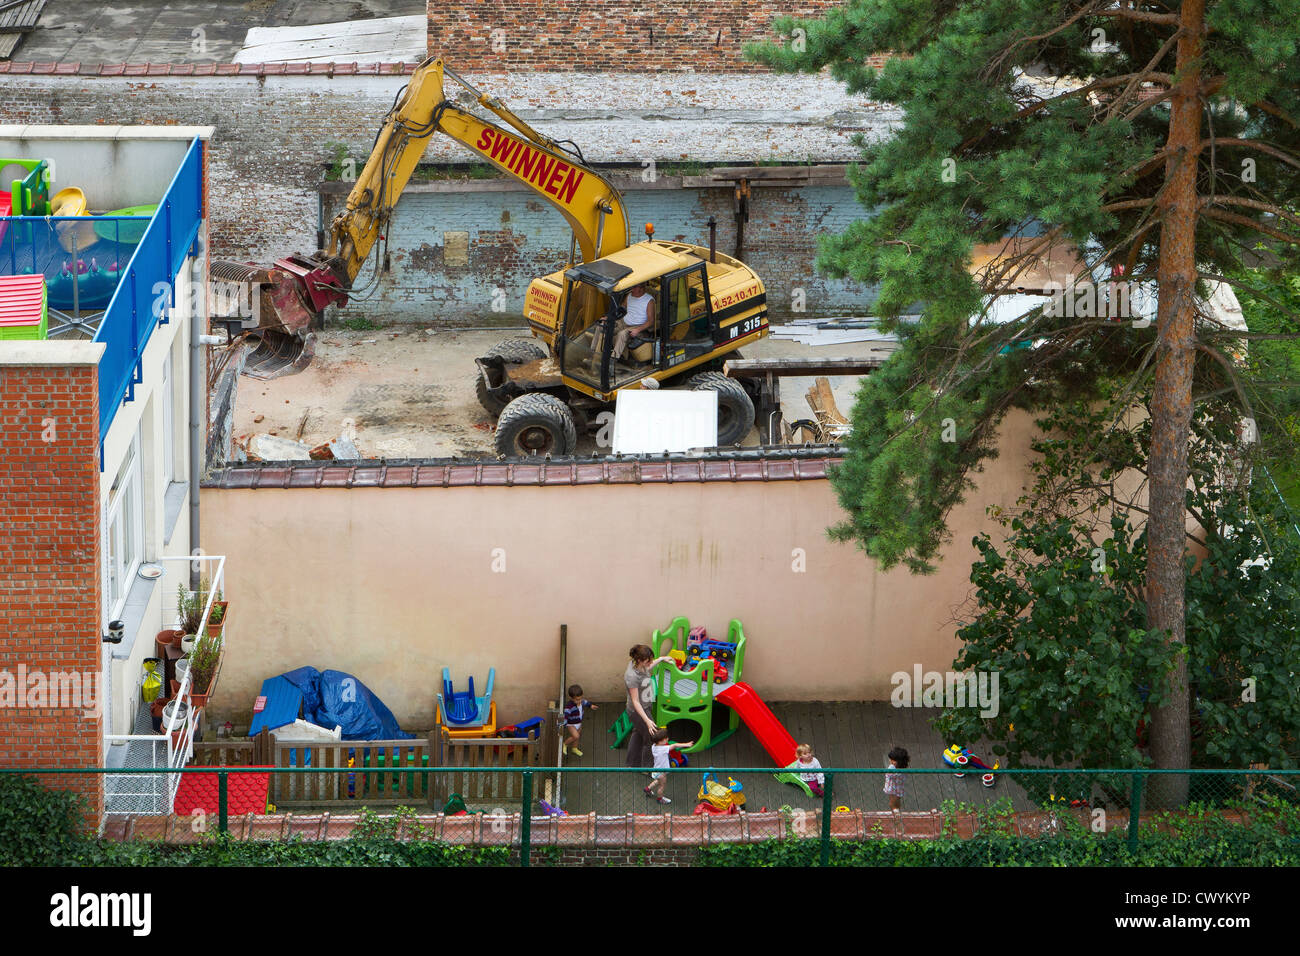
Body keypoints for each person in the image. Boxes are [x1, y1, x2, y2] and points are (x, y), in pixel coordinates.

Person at [623, 644, 673, 768]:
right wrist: (647, 721)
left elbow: (649, 666)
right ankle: (647, 767)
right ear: (639, 660)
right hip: (638, 711)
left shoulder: (639, 665)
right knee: (650, 738)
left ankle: (632, 763)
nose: (650, 662)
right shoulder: (632, 676)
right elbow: (635, 701)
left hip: (645, 705)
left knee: (639, 733)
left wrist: (661, 659)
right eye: (648, 660)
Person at [645, 728, 693, 804]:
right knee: (662, 786)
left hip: (656, 770)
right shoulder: (663, 749)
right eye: (666, 739)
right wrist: (687, 744)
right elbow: (674, 745)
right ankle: (660, 798)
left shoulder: (653, 746)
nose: (667, 739)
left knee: (657, 780)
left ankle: (648, 789)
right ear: (660, 741)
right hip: (662, 772)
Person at [612, 282, 655, 360]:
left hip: (637, 326)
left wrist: (637, 330)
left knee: (622, 334)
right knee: (604, 326)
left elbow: (651, 321)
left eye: (634, 287)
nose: (632, 289)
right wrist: (609, 318)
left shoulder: (649, 301)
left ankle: (612, 361)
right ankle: (595, 356)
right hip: (623, 321)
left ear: (641, 288)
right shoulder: (629, 295)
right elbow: (622, 308)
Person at [562, 684, 596, 757]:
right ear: (571, 698)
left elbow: (586, 702)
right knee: (576, 736)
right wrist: (564, 722)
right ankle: (564, 744)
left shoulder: (581, 701)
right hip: (571, 724)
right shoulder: (569, 706)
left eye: (580, 698)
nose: (580, 701)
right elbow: (566, 715)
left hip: (578, 723)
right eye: (577, 700)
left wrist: (591, 705)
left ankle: (574, 748)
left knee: (577, 737)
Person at [884, 745, 909, 811]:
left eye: (894, 760)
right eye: (891, 759)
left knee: (894, 803)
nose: (891, 762)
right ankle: (895, 813)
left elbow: (889, 775)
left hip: (895, 788)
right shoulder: (896, 768)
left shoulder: (895, 768)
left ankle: (896, 815)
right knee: (894, 802)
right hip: (894, 788)